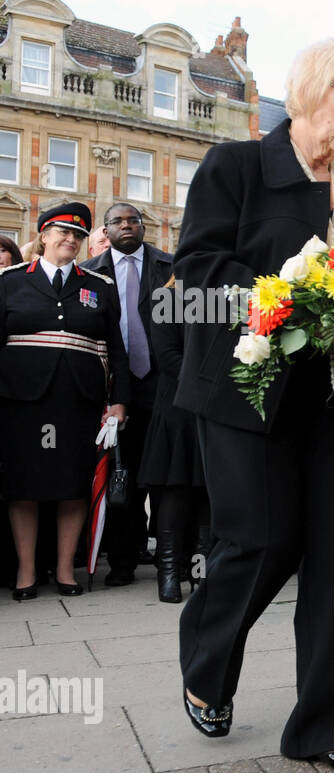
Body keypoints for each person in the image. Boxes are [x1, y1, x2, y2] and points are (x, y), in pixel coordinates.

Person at [172, 40, 334, 773]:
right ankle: (206, 658)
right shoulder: (238, 168)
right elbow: (196, 278)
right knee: (261, 538)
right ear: (312, 90)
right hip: (247, 390)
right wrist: (301, 304)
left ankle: (331, 721)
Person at [0, 202, 129, 600]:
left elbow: (117, 350)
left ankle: (64, 570)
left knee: (72, 485)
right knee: (24, 486)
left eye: (77, 234)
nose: (69, 239)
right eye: (61, 232)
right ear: (43, 236)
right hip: (21, 401)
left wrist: (119, 401)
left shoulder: (99, 286)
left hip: (79, 401)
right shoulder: (9, 281)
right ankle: (25, 573)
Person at [83, 202, 173, 587]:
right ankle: (122, 560)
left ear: (142, 226)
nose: (126, 226)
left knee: (166, 475)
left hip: (163, 383)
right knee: (123, 473)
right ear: (105, 230)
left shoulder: (170, 268)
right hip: (115, 387)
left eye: (132, 220)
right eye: (117, 221)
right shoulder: (88, 273)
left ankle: (174, 555)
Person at [135, 275, 209, 603]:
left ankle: (199, 571)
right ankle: (168, 573)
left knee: (208, 492)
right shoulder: (165, 299)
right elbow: (166, 357)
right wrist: (206, 384)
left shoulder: (223, 298)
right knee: (175, 491)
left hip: (214, 409)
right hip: (178, 407)